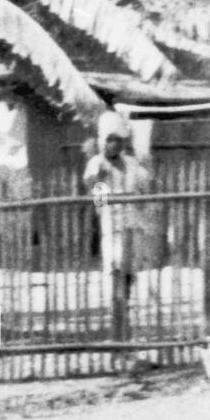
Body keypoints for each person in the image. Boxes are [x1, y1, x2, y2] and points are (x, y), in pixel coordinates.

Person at [83, 109, 152, 322]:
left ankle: (125, 307)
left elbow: (146, 189)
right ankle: (117, 311)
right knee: (115, 268)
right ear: (103, 141)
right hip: (112, 226)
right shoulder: (96, 164)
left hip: (133, 224)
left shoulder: (131, 163)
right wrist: (100, 181)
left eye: (119, 140)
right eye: (111, 140)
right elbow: (99, 201)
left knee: (130, 271)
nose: (115, 144)